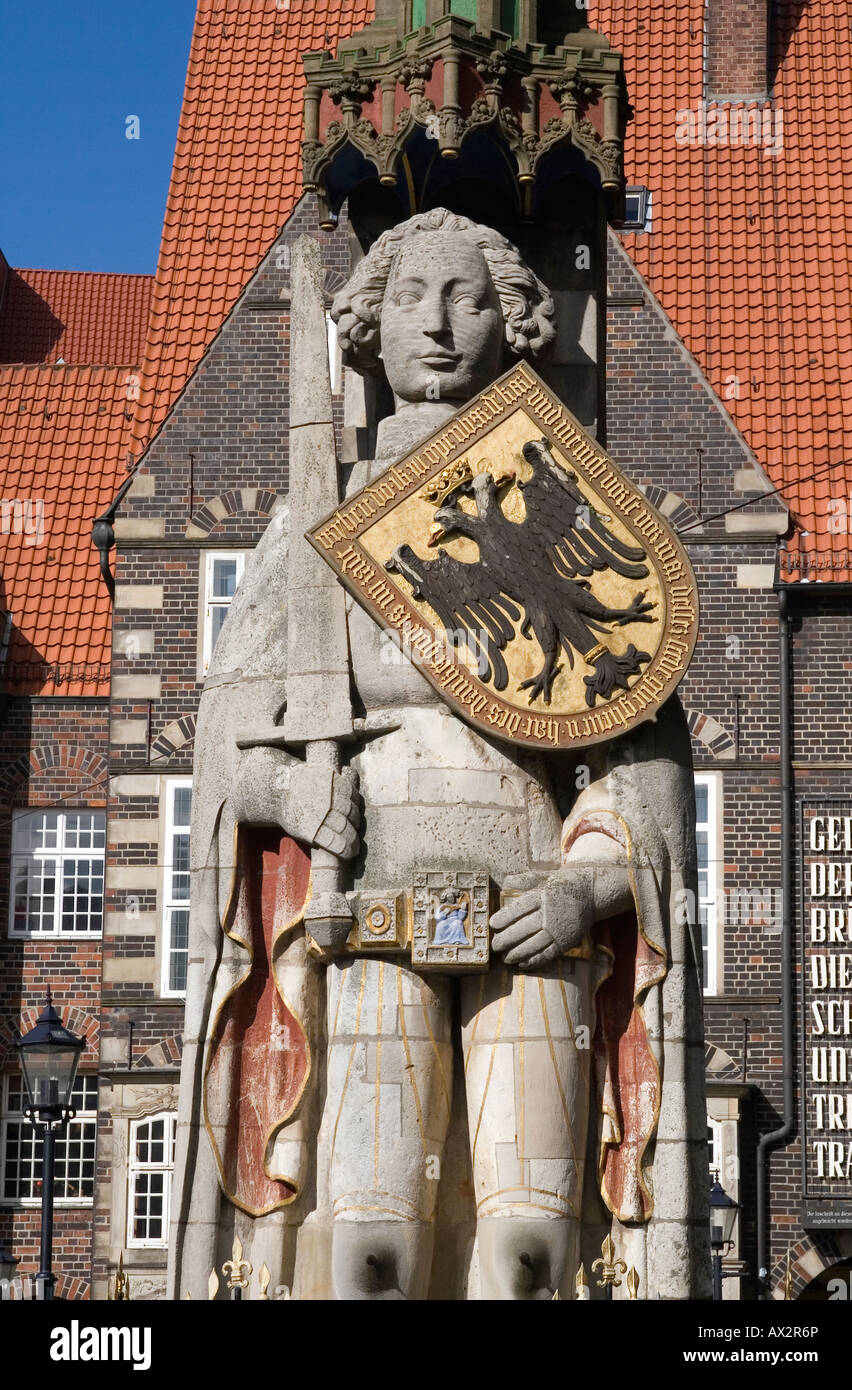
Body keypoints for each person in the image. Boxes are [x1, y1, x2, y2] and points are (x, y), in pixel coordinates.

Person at [168, 209, 708, 1300]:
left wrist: (588, 886)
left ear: (508, 321)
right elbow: (226, 721)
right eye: (412, 295)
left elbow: (639, 744)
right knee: (368, 1242)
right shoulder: (327, 506)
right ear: (369, 321)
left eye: (466, 297)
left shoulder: (558, 498)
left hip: (533, 901)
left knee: (528, 1249)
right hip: (370, 894)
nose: (439, 323)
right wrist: (287, 788)